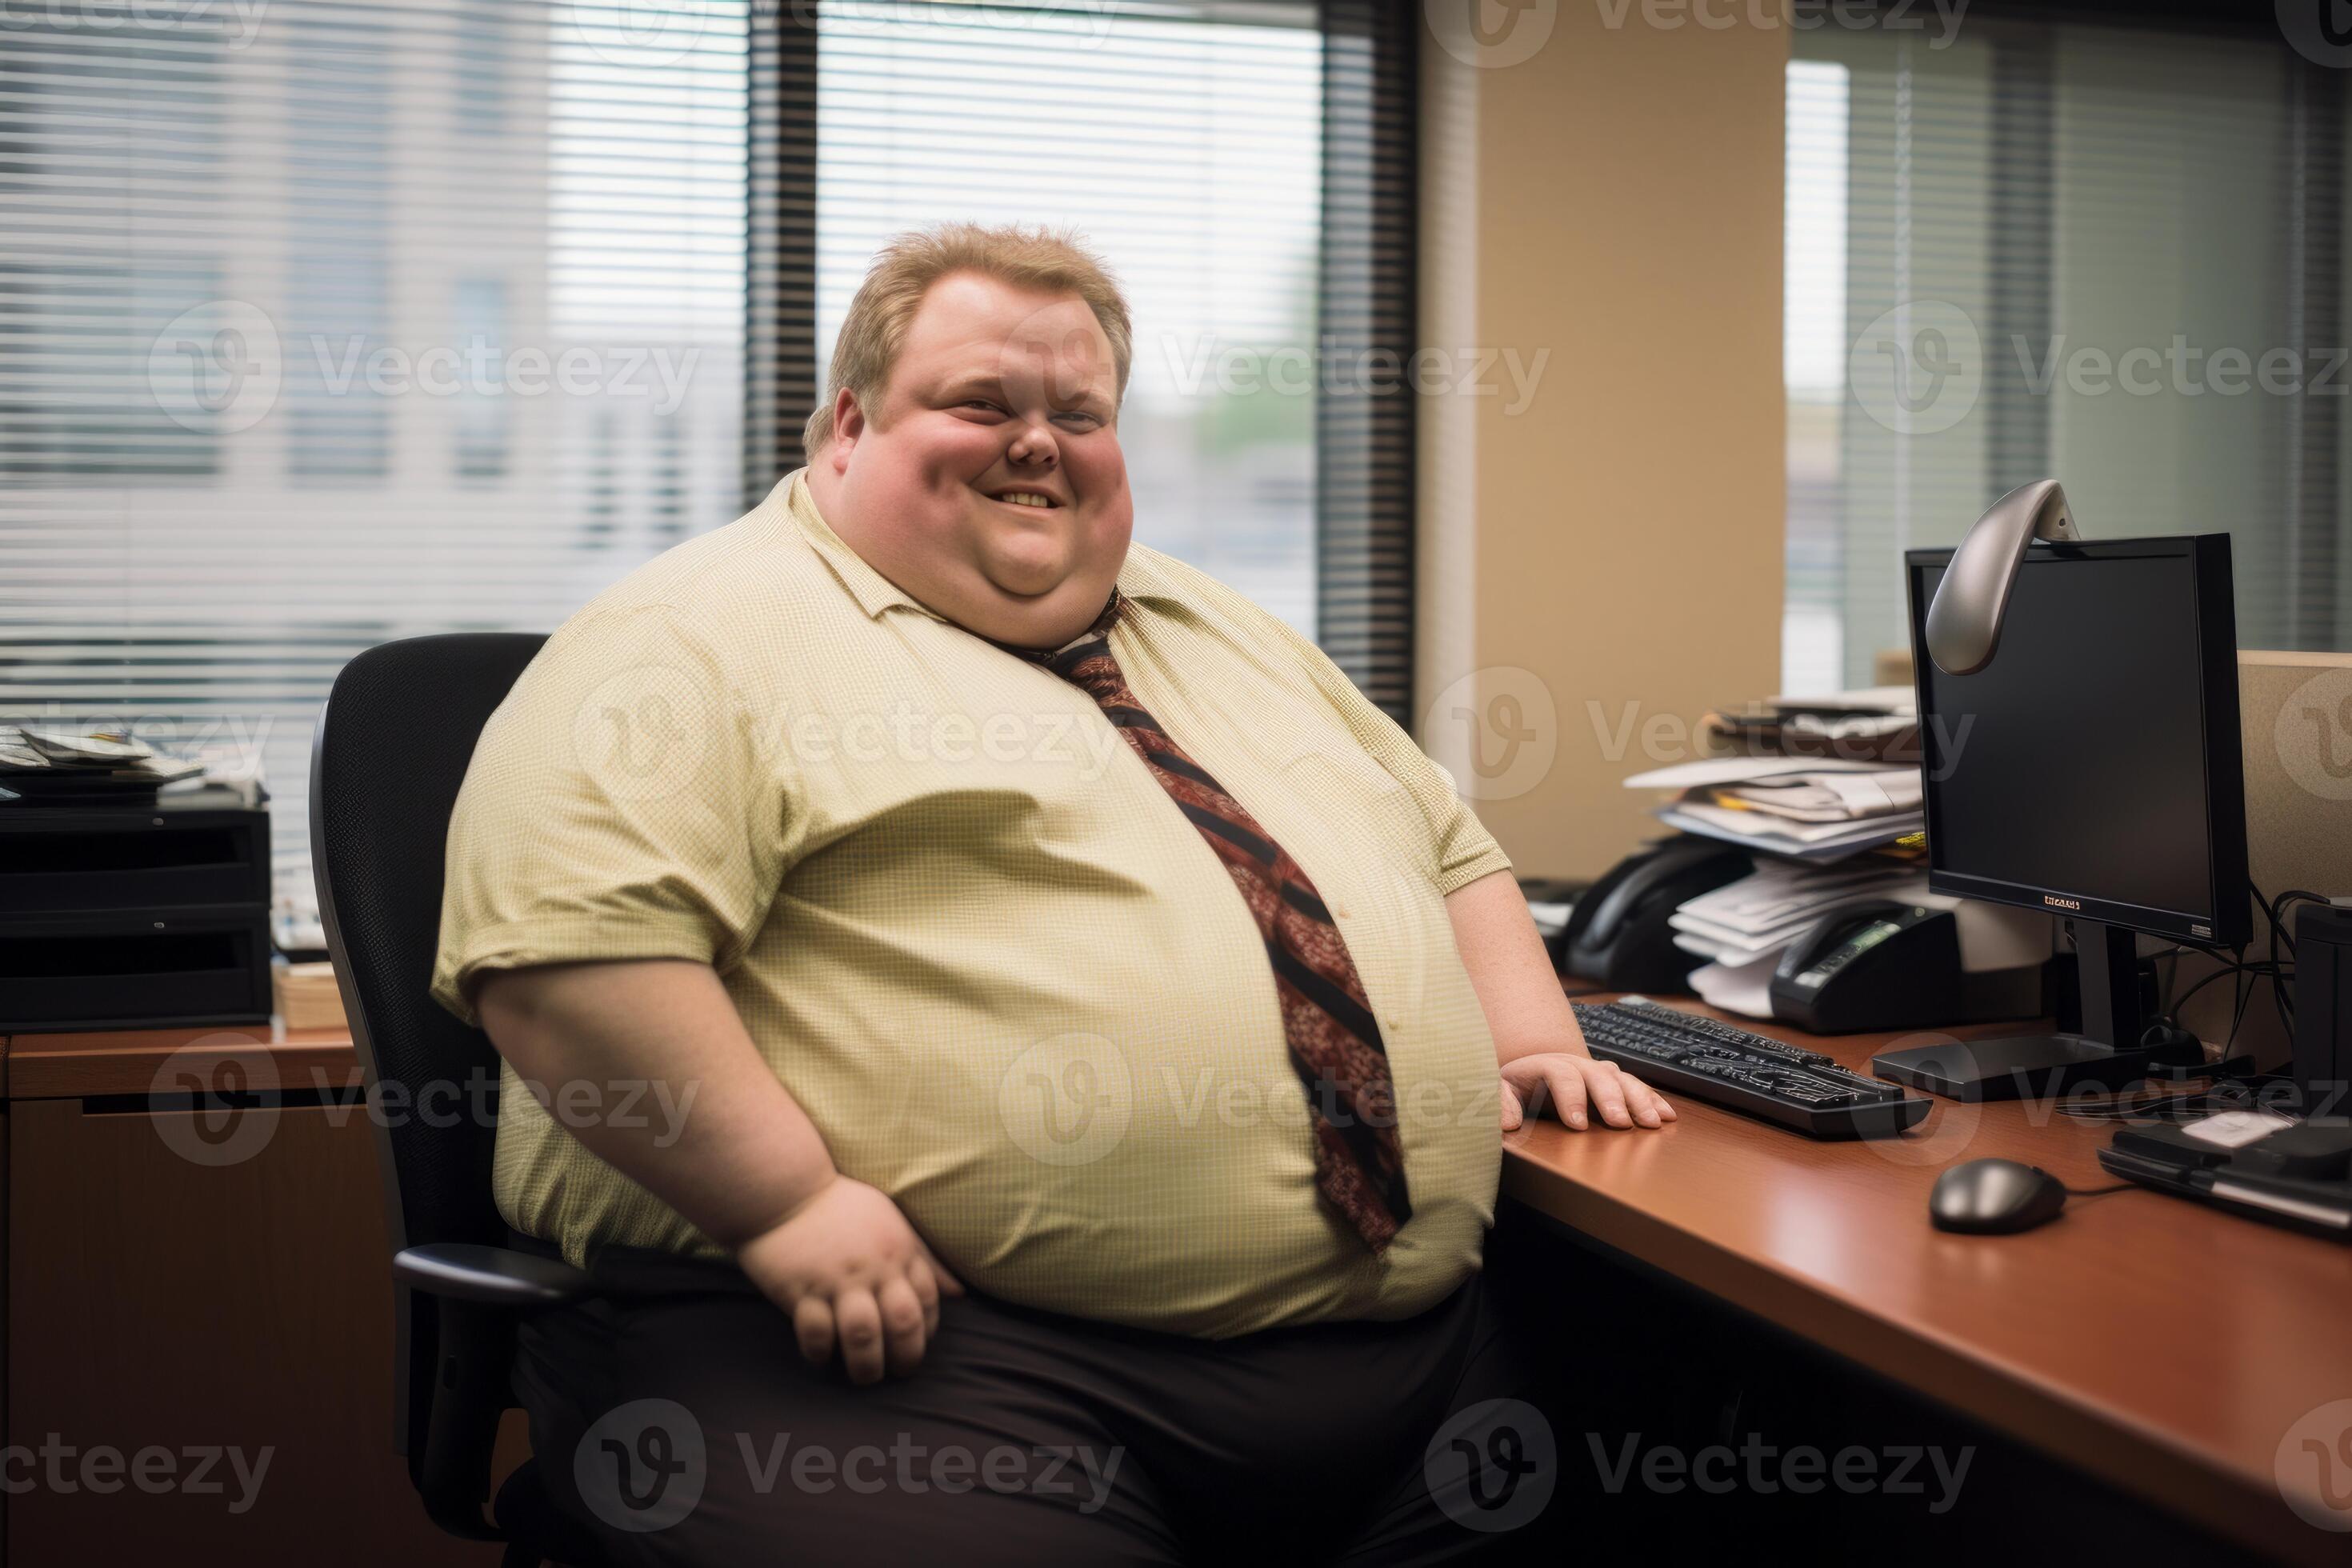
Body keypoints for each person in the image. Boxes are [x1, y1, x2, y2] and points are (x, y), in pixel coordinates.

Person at [430, 222, 1671, 1564]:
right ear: (847, 425)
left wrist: (1534, 1040)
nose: (1040, 443)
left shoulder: (1217, 624)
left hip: (1414, 1368)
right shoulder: (688, 639)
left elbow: (1445, 842)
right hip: (914, 1369)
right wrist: (788, 1205)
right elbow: (566, 959)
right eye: (981, 403)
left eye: (1080, 414)